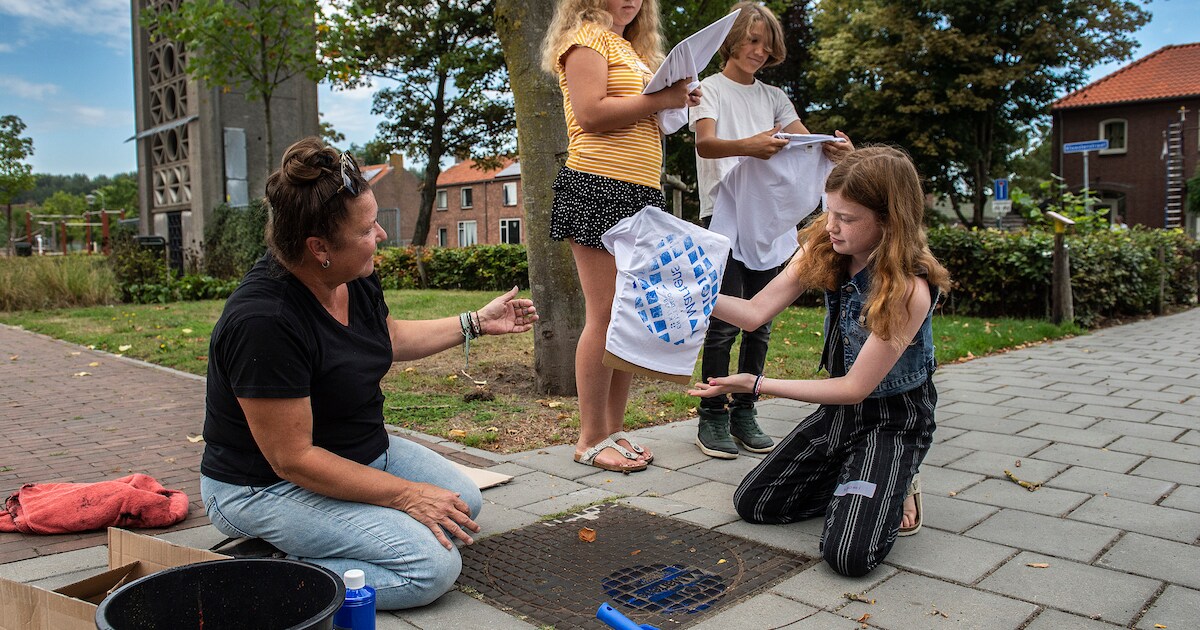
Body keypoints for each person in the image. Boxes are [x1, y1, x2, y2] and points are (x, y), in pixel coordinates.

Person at [199, 137, 538, 610]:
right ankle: (259, 575)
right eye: (367, 229)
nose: (380, 235)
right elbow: (292, 459)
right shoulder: (265, 322)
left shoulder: (352, 274)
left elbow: (388, 338)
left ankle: (334, 534)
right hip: (262, 487)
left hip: (356, 453)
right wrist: (405, 496)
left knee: (463, 504)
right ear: (318, 247)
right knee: (431, 568)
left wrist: (475, 323)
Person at [688, 146, 950, 576]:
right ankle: (866, 479)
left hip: (893, 417)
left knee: (847, 554)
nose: (831, 227)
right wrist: (693, 297)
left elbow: (854, 387)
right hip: (839, 414)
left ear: (889, 222)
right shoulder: (824, 248)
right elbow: (754, 312)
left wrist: (756, 384)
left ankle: (899, 476)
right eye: (830, 212)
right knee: (754, 503)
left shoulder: (908, 289)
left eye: (847, 218)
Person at [542, 0, 701, 472]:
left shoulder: (629, 48)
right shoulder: (584, 40)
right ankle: (589, 437)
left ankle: (613, 429)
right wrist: (661, 100)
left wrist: (677, 101)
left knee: (628, 315)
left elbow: (641, 114)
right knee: (606, 313)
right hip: (596, 186)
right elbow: (591, 114)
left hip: (637, 193)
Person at [689, 1, 852, 461]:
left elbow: (805, 142)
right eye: (751, 40)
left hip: (770, 225)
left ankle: (745, 411)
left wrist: (836, 151)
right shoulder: (709, 89)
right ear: (731, 39)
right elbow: (705, 144)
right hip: (722, 217)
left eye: (766, 44)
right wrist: (750, 146)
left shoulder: (775, 98)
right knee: (723, 326)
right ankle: (712, 415)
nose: (759, 51)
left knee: (760, 325)